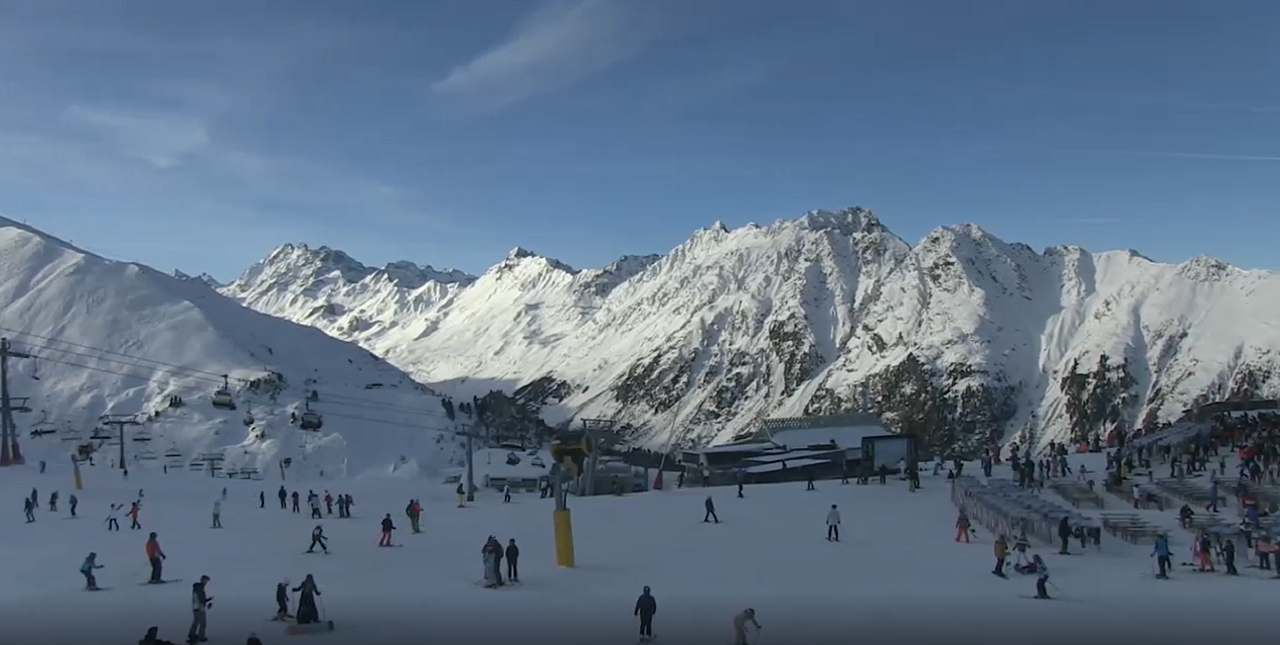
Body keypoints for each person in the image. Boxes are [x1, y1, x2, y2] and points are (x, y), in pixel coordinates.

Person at [188, 575, 212, 644]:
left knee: (196, 622)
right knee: (202, 623)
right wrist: (205, 602)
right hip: (199, 608)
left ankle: (191, 635)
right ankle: (201, 637)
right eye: (205, 580)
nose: (206, 582)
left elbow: (200, 598)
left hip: (196, 607)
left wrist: (207, 600)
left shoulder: (198, 588)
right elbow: (201, 599)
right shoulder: (200, 588)